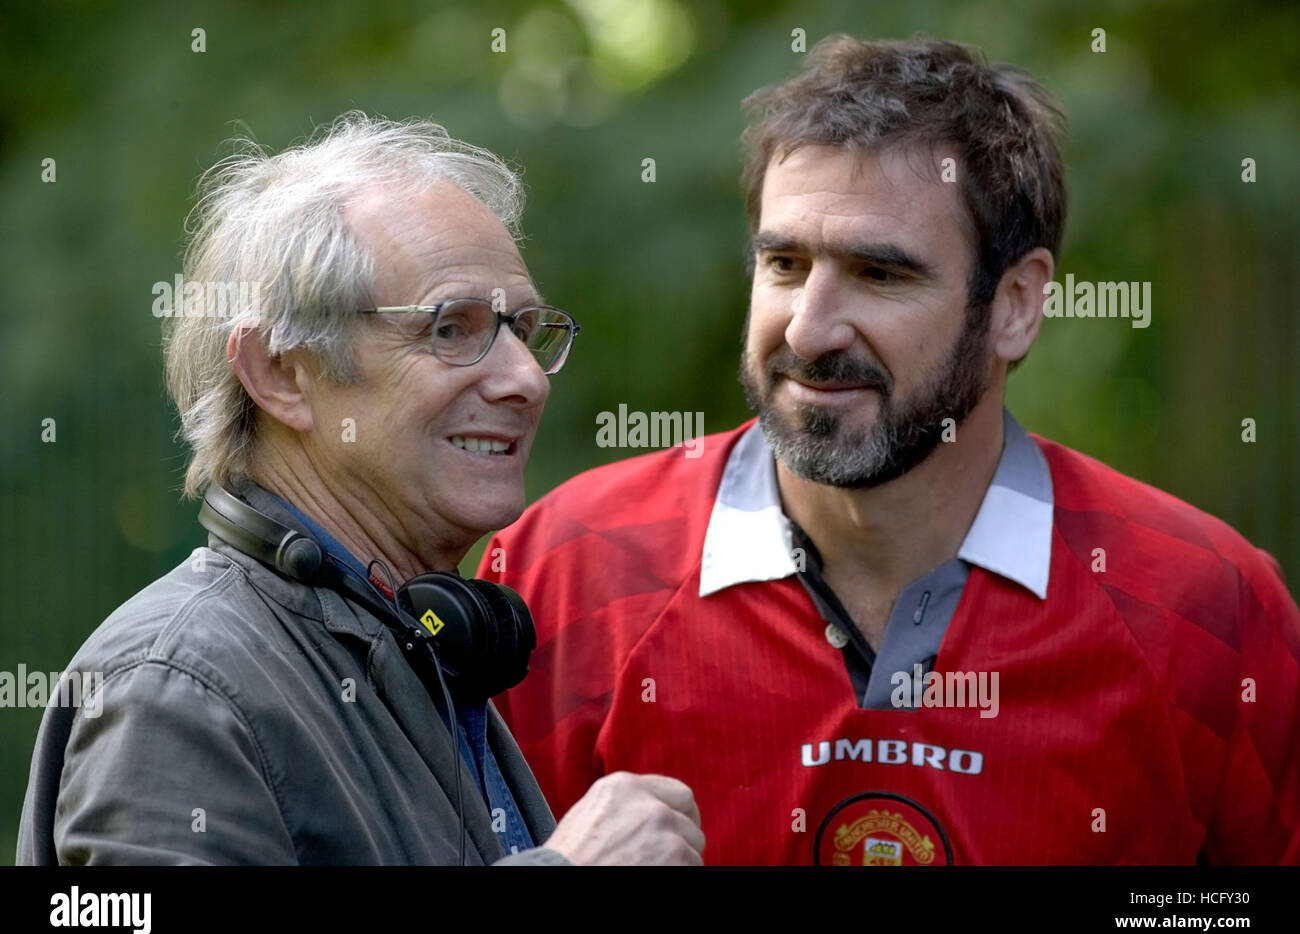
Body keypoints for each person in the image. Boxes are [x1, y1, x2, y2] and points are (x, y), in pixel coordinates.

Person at [479, 37, 1300, 865]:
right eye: (785, 263)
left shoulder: (1206, 611)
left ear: (1015, 305)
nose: (808, 328)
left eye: (879, 274)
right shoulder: (566, 574)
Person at [17, 113, 704, 866]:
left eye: (525, 329)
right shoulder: (175, 688)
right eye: (451, 328)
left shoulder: (424, 648)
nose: (524, 378)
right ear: (282, 373)